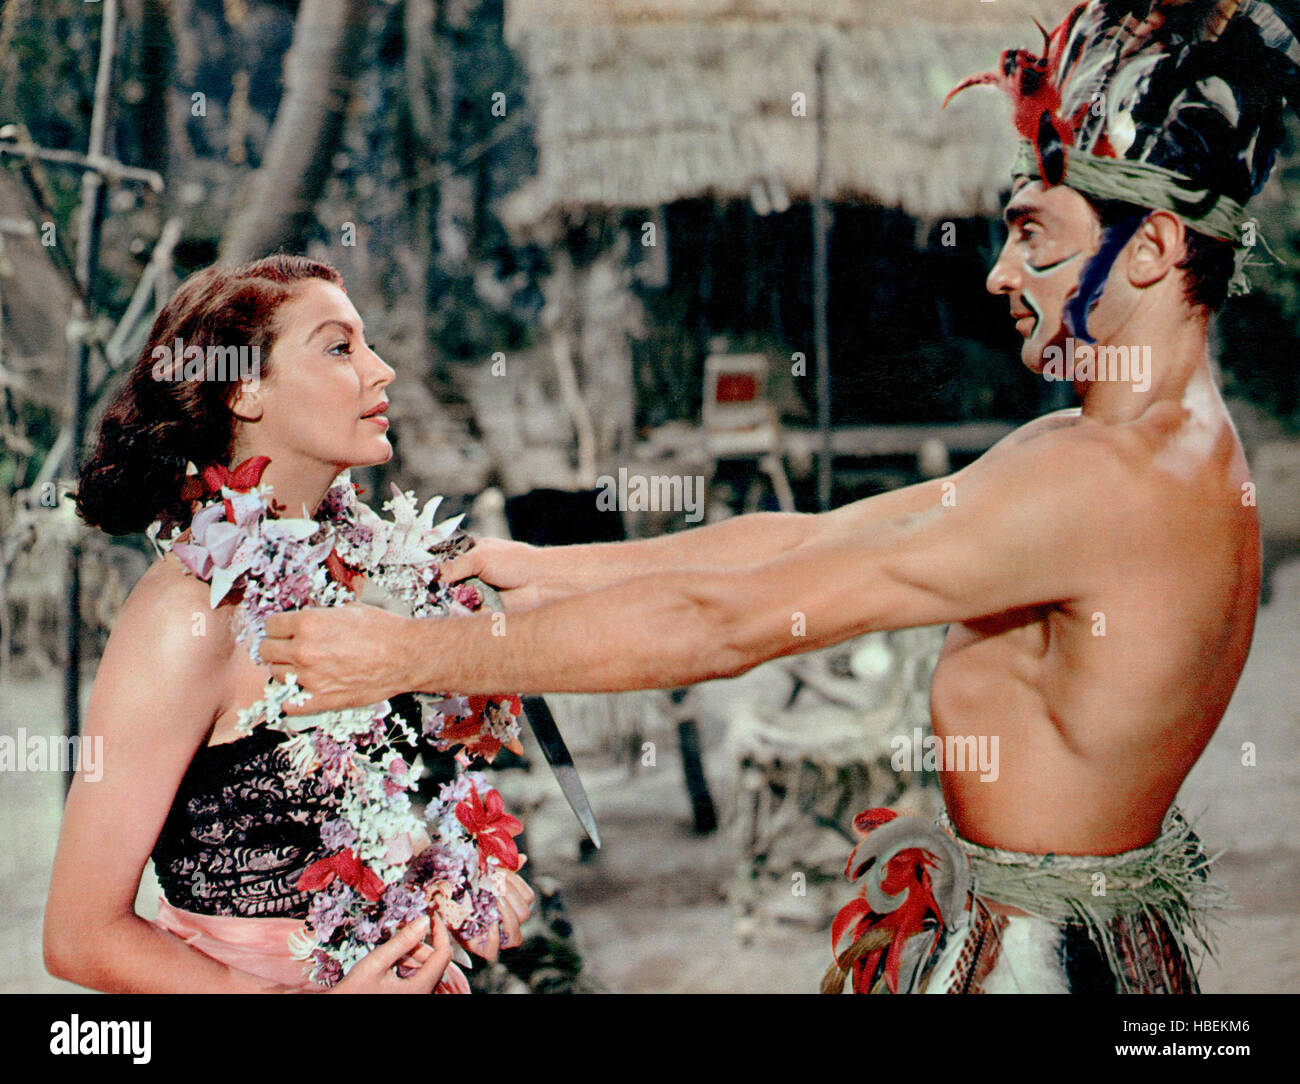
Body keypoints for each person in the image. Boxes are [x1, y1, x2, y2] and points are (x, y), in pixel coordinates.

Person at [260, 0, 1298, 992]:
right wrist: (557, 569)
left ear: (1152, 250)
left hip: (1040, 963)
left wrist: (408, 657)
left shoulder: (1098, 483)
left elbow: (728, 622)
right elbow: (809, 538)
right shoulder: (1138, 447)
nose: (998, 273)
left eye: (1034, 235)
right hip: (1074, 934)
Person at [44, 255, 533, 993]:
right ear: (243, 389)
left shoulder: (349, 569)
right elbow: (79, 936)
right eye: (339, 348)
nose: (382, 370)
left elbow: (342, 822)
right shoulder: (187, 617)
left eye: (367, 344)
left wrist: (449, 881)